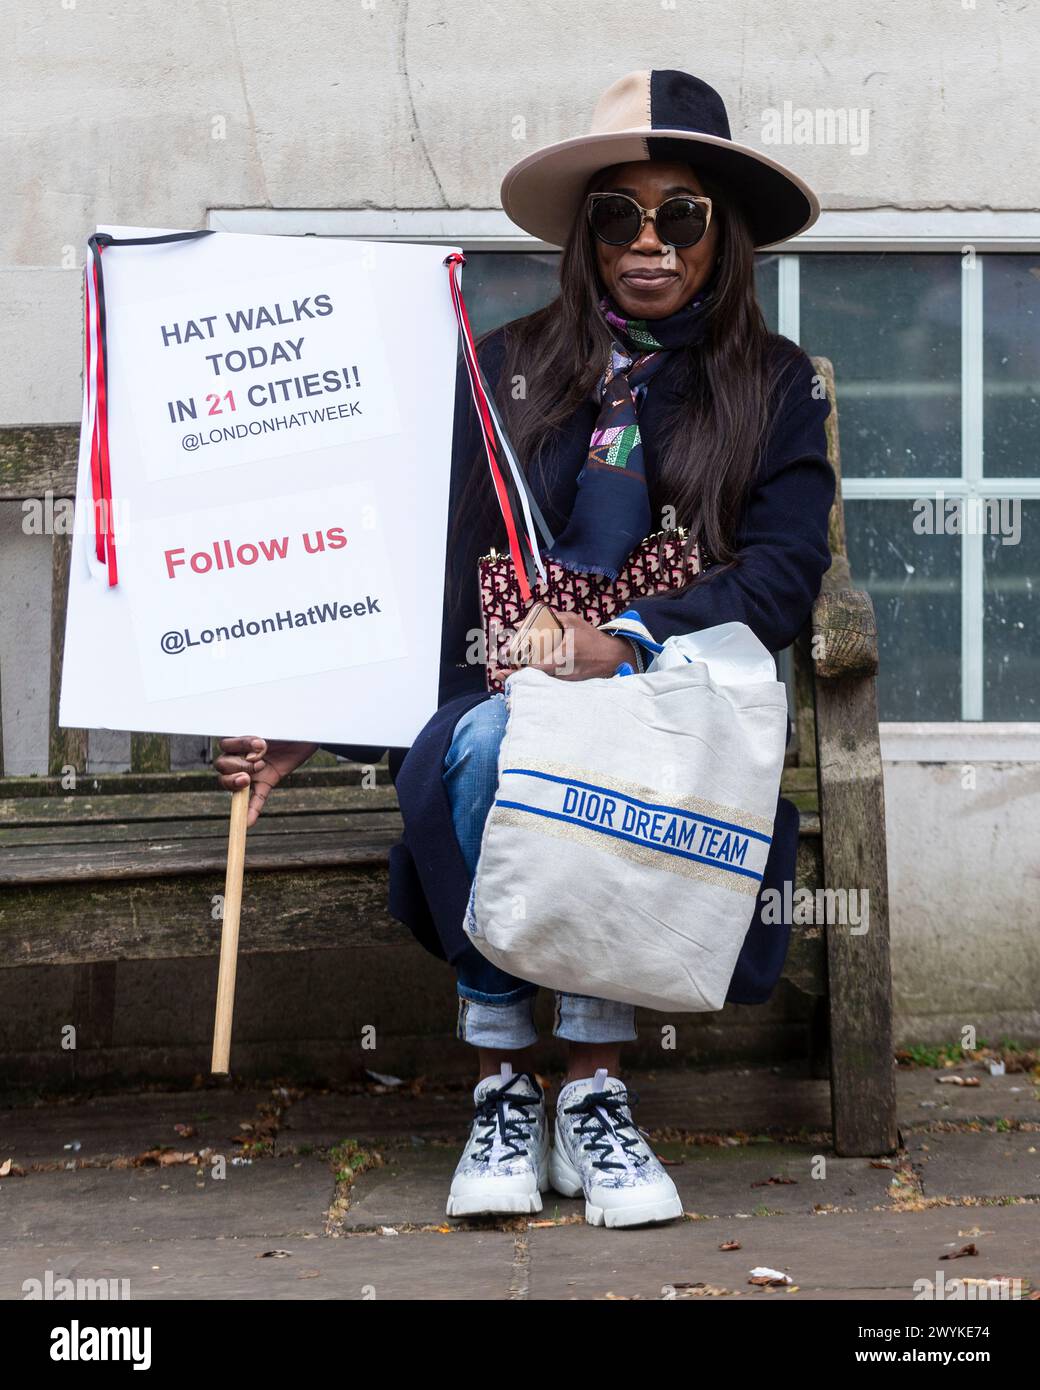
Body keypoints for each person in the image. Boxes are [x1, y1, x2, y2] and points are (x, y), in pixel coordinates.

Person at [214, 69, 834, 1229]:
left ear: (720, 234)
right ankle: (540, 1083)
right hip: (496, 694)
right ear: (588, 235)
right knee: (498, 735)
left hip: (671, 711)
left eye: (680, 214)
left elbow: (784, 575)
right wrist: (306, 720)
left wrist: (625, 637)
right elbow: (424, 568)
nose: (647, 241)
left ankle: (557, 1082)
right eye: (618, 214)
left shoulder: (772, 384)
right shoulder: (501, 370)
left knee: (532, 745)